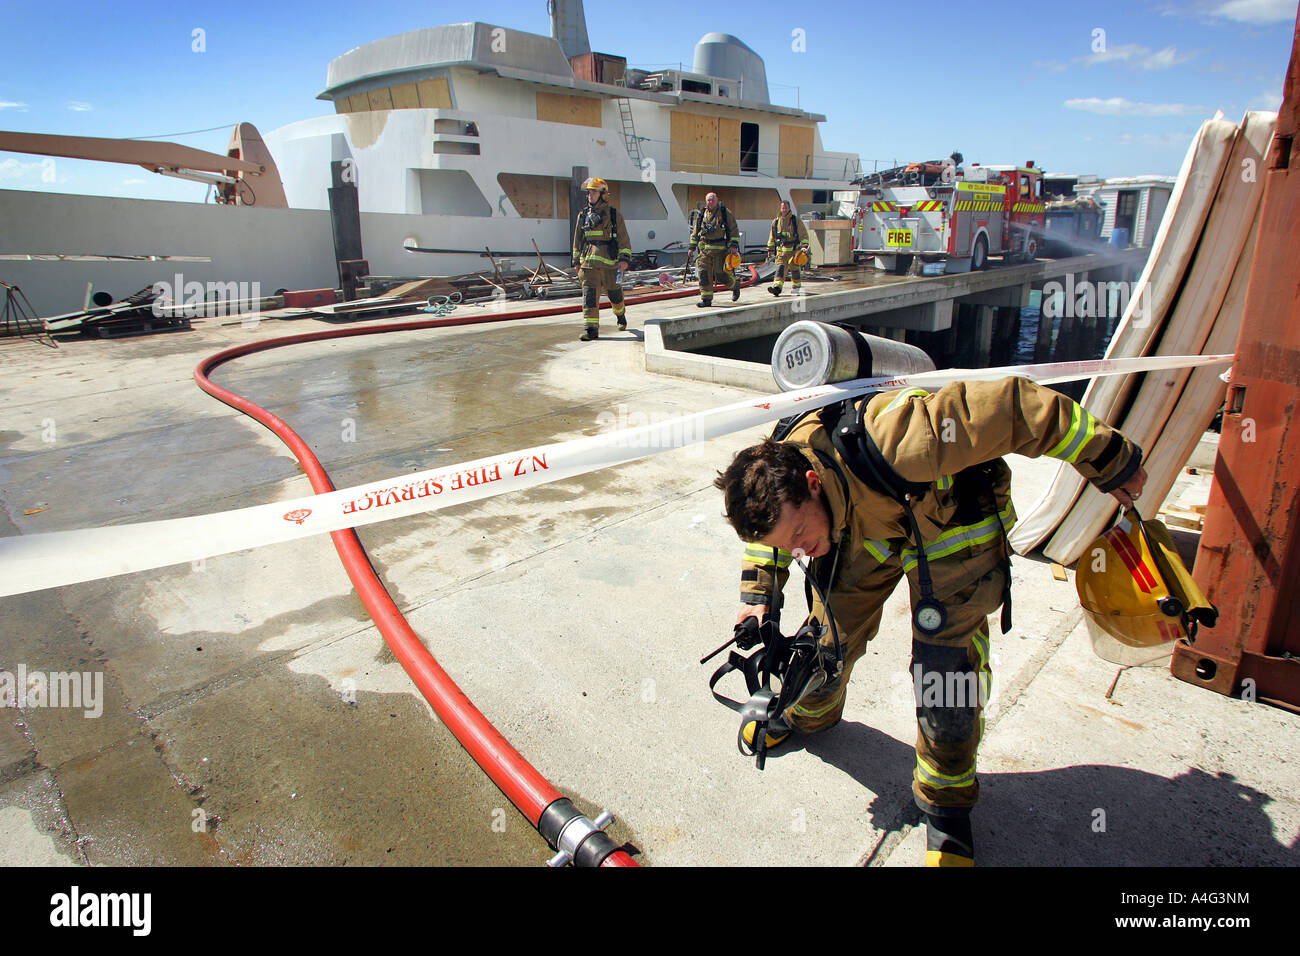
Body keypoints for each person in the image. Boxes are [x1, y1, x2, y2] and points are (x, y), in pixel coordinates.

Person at [713, 377, 1147, 866]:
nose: (796, 551)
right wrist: (757, 595)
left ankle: (946, 806)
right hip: (863, 529)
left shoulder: (907, 437)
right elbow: (771, 536)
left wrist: (1114, 462)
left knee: (947, 675)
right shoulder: (782, 465)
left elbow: (1019, 409)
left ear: (812, 483)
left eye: (798, 534)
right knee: (825, 641)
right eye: (787, 545)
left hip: (950, 529)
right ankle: (811, 714)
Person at [572, 177, 631, 341]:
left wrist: (624, 258)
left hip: (610, 264)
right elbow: (577, 240)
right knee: (589, 297)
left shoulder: (613, 215)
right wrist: (576, 261)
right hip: (589, 265)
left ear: (603, 194)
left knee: (615, 295)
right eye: (589, 192)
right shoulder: (583, 216)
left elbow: (623, 238)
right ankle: (591, 330)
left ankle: (620, 316)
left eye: (594, 191)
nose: (590, 195)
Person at [689, 192, 741, 307]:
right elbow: (696, 232)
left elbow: (733, 229)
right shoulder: (702, 214)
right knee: (703, 274)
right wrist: (692, 247)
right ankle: (706, 299)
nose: (710, 202)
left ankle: (735, 285)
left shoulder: (724, 213)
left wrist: (733, 245)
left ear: (717, 200)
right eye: (708, 200)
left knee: (721, 274)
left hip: (720, 250)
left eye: (712, 200)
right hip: (704, 251)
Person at [765, 199, 809, 296]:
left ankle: (796, 288)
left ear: (789, 208)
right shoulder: (776, 222)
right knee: (780, 269)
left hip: (794, 251)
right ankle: (777, 288)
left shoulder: (795, 220)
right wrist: (770, 250)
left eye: (785, 207)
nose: (784, 209)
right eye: (782, 207)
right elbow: (772, 236)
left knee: (795, 269)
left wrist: (804, 246)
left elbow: (803, 234)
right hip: (781, 252)